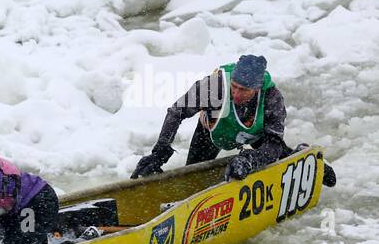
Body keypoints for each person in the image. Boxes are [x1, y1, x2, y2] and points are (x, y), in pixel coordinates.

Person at [131, 53, 336, 185]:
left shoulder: (272, 98)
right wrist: (160, 151)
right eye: (235, 87)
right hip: (213, 132)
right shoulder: (214, 86)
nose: (237, 95)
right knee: (192, 180)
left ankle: (307, 158)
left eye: (244, 90)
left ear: (257, 89)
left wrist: (249, 160)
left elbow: (273, 144)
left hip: (253, 136)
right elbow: (176, 112)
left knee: (276, 154)